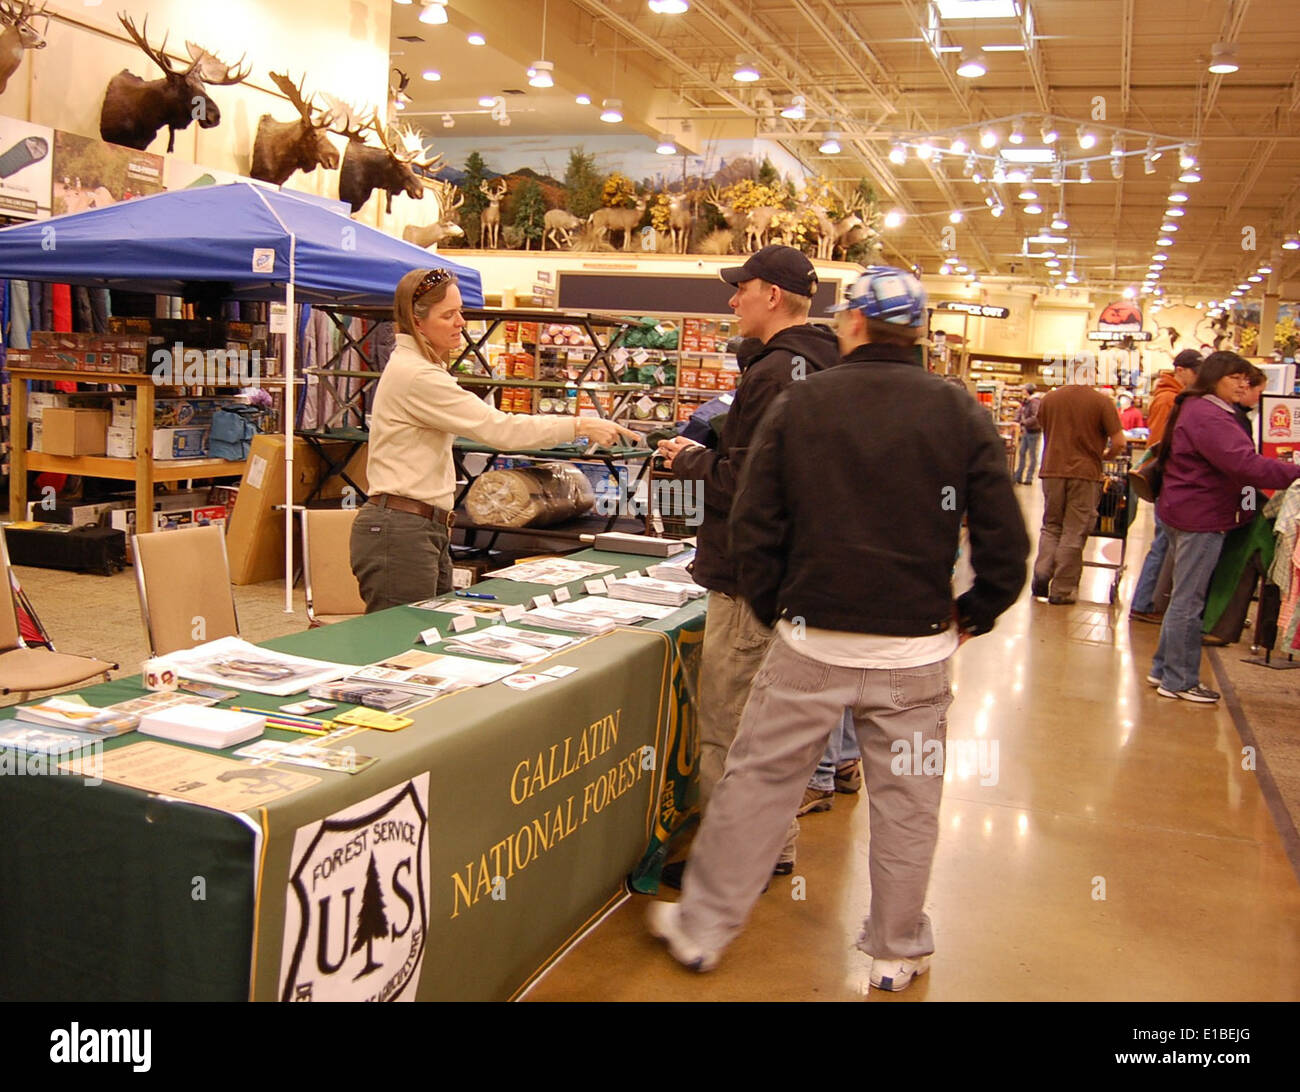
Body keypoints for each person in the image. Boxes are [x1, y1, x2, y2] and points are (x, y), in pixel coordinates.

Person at [646, 266, 1029, 990]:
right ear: (915, 331)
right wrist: (975, 612)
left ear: (852, 323)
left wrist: (770, 604)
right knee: (909, 803)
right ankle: (895, 950)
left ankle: (701, 933)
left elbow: (756, 519)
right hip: (915, 652)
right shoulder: (959, 411)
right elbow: (1005, 540)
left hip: (810, 642)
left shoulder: (805, 402)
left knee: (756, 787)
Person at [655, 245, 839, 885]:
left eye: (743, 288)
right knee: (770, 732)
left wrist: (688, 461)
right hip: (794, 578)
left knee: (728, 729)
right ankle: (772, 849)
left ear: (774, 295)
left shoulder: (773, 372)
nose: (732, 300)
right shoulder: (822, 367)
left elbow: (749, 485)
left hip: (747, 577)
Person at [351, 268, 639, 611]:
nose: (461, 322)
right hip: (402, 532)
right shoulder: (418, 376)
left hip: (417, 528)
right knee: (397, 646)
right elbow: (500, 429)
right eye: (448, 314)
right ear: (417, 321)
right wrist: (579, 425)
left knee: (420, 640)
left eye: (460, 311)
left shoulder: (418, 368)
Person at [1148, 352, 1300, 702]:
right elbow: (1245, 466)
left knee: (1182, 597)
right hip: (1200, 516)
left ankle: (1162, 668)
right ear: (1216, 377)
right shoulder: (1210, 415)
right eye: (1236, 378)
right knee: (1189, 601)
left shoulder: (1197, 407)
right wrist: (1292, 472)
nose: (1243, 385)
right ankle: (1180, 679)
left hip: (1187, 510)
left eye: (1246, 380)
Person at [1031, 367, 1127, 604]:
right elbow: (1119, 443)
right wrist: (1106, 456)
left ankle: (1042, 572)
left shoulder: (1049, 399)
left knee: (1051, 525)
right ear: (1092, 376)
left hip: (1051, 470)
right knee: (1075, 529)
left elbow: (1045, 427)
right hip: (1085, 473)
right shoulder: (1102, 402)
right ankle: (1061, 589)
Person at [1130, 350, 1203, 623]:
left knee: (1163, 543)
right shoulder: (1170, 399)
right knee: (1162, 543)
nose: (1197, 376)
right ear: (1180, 370)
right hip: (1168, 481)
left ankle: (1149, 601)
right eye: (1194, 370)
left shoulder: (1175, 397)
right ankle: (1145, 602)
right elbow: (1161, 444)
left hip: (1170, 481)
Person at [1013, 382, 1043, 484]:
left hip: (1033, 432)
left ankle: (1029, 478)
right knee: (1022, 453)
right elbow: (1021, 411)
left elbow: (1035, 416)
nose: (1022, 391)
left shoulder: (1034, 402)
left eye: (1024, 389)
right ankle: (1018, 475)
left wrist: (1023, 423)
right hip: (1027, 431)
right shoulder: (1027, 401)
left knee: (1032, 455)